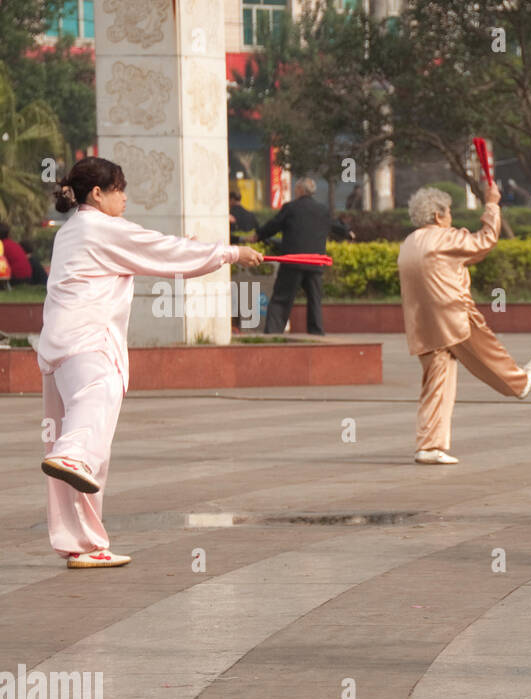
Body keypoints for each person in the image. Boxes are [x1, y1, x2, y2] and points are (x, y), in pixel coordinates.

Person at [37, 157, 262, 569]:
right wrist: (231, 252)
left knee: (87, 453)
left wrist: (190, 249)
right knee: (92, 420)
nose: (125, 198)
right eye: (119, 189)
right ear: (98, 194)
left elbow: (152, 252)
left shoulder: (74, 231)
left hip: (58, 346)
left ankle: (83, 543)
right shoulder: (100, 226)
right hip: (89, 342)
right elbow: (160, 250)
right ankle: (72, 456)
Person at [397, 184, 531, 466]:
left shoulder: (409, 243)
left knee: (436, 383)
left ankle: (429, 445)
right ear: (438, 216)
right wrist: (492, 204)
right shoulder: (445, 237)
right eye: (448, 212)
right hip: (452, 313)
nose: (450, 217)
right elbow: (485, 241)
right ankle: (518, 382)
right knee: (487, 349)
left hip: (421, 324)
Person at [255, 178, 330, 335]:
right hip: (315, 262)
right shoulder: (322, 209)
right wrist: (347, 232)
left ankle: (273, 332)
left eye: (296, 189)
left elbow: (274, 225)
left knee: (282, 298)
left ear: (301, 190)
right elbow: (334, 224)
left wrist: (259, 235)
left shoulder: (291, 208)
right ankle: (316, 332)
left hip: (293, 261)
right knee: (315, 299)